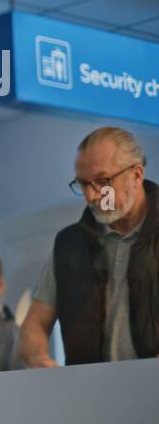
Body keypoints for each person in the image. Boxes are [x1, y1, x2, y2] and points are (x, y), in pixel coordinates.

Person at [21, 127, 158, 367]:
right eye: (83, 184)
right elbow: (35, 324)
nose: (92, 196)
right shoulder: (69, 244)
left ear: (136, 175)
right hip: (89, 396)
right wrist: (39, 359)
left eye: (102, 181)